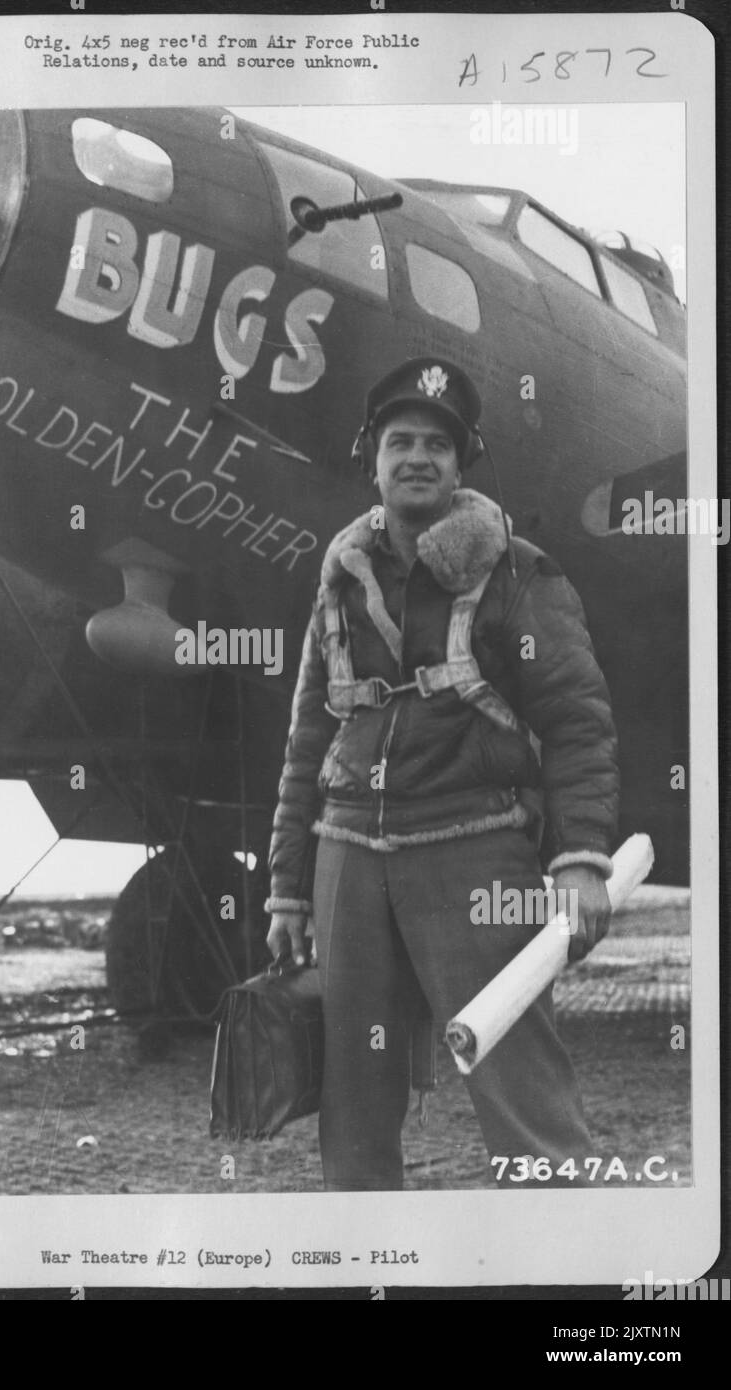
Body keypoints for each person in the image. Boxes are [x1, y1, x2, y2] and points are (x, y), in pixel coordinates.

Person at [263, 357, 620, 1191]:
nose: (416, 457)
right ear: (372, 457)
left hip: (474, 854)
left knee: (522, 1091)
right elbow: (306, 738)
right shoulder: (338, 580)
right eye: (399, 442)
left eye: (436, 444)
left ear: (461, 465)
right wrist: (286, 886)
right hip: (345, 859)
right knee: (352, 1103)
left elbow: (576, 722)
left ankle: (568, 1288)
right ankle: (369, 1273)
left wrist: (577, 857)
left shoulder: (519, 572)